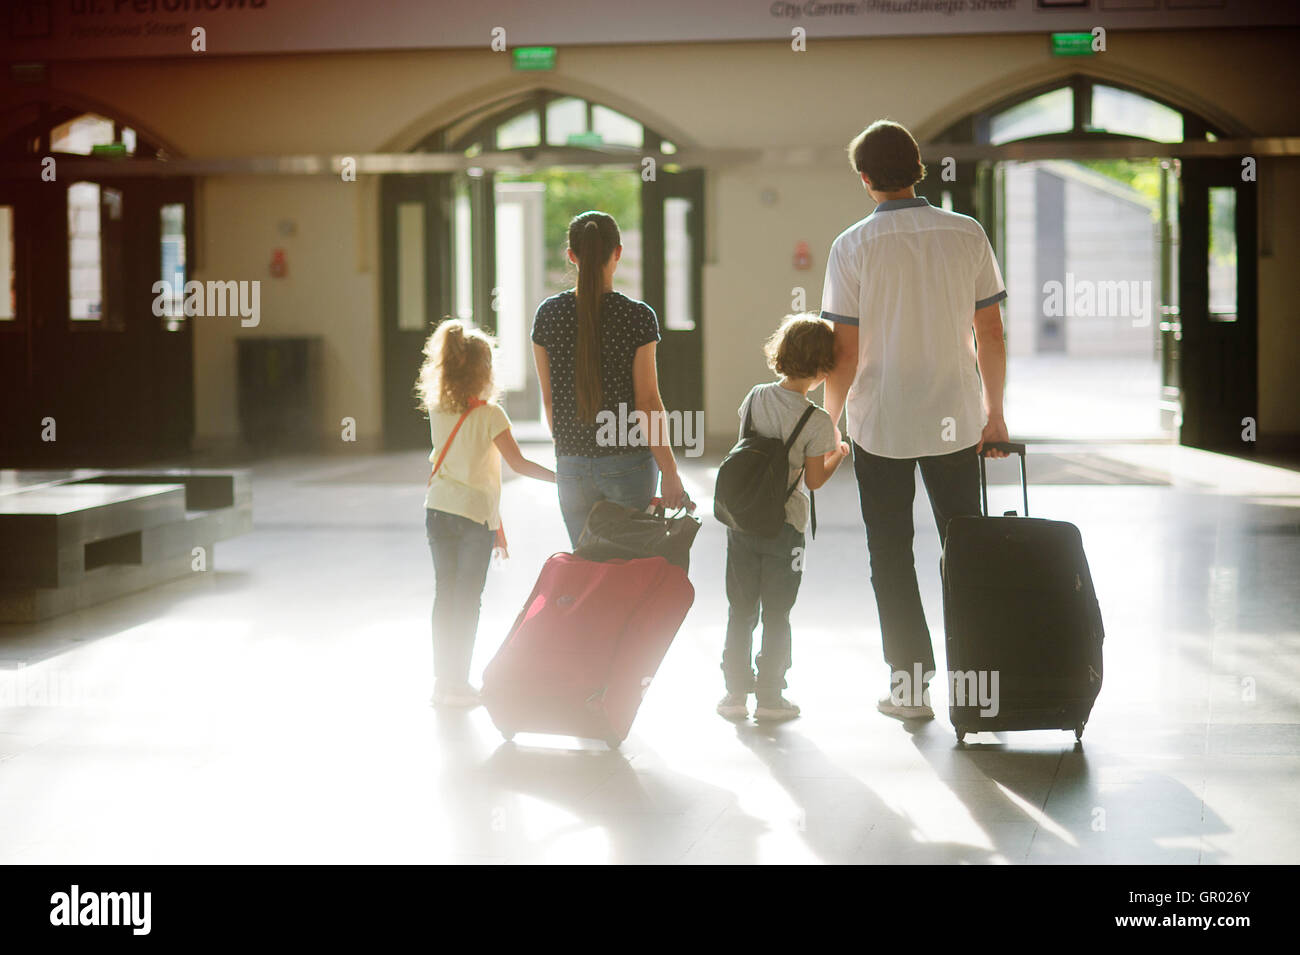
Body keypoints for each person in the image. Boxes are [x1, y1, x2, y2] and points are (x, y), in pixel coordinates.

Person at [819, 119, 1011, 722]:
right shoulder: (966, 233)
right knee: (968, 551)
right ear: (918, 168)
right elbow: (990, 332)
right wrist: (995, 414)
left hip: (881, 422)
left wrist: (830, 424)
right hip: (956, 415)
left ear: (866, 178)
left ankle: (910, 689)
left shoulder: (852, 245)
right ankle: (978, 689)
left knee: (891, 554)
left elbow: (843, 351)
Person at [717, 314, 849, 723]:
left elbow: (746, 452)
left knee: (740, 609)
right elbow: (813, 479)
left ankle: (734, 695)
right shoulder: (818, 421)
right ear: (824, 367)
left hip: (743, 522)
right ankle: (771, 697)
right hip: (786, 527)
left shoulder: (756, 396)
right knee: (777, 611)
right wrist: (838, 456)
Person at [416, 318, 555, 707]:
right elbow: (520, 465)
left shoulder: (438, 407)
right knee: (467, 599)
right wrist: (564, 479)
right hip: (472, 517)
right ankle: (458, 685)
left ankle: (443, 683)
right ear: (483, 370)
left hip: (438, 509)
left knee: (445, 596)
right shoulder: (491, 415)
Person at [531, 210, 687, 547]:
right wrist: (670, 474)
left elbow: (549, 399)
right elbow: (647, 402)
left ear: (572, 256)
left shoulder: (548, 315)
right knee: (626, 571)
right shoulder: (637, 316)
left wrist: (569, 452)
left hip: (570, 464)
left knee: (586, 571)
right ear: (617, 253)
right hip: (627, 462)